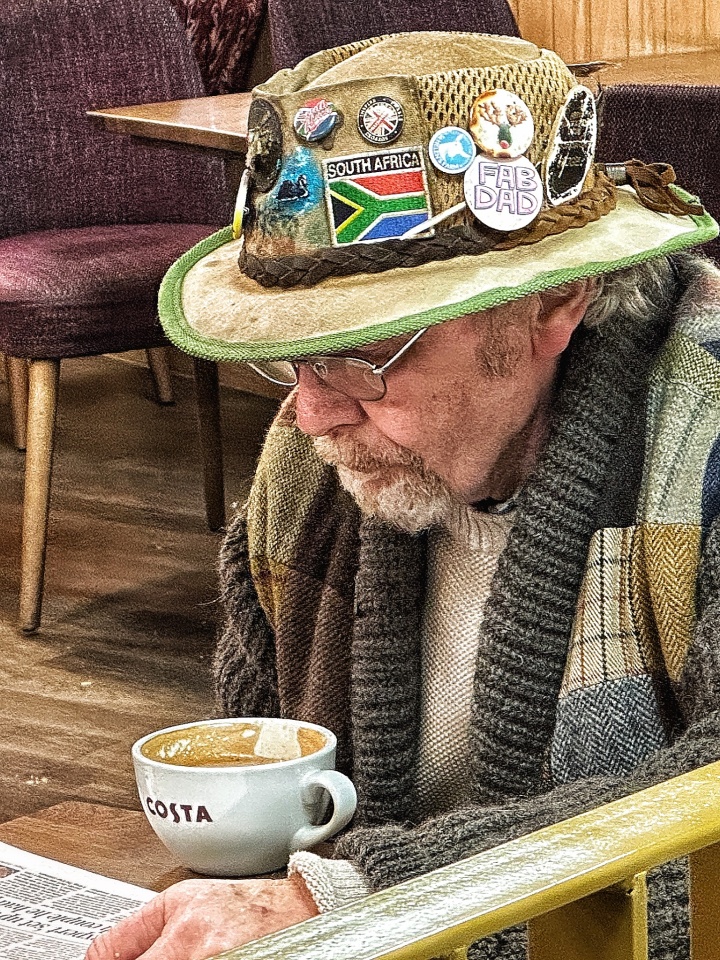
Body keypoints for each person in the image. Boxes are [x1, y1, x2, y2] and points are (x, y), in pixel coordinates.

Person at [88, 31, 720, 960]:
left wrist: (368, 901)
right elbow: (266, 767)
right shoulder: (315, 455)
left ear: (555, 303)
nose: (310, 413)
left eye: (363, 354)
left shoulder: (702, 439)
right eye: (290, 357)